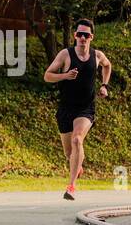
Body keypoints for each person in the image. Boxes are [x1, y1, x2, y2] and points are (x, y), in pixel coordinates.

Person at [43, 19, 111, 200]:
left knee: (77, 139)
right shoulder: (65, 55)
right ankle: (77, 165)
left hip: (86, 109)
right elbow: (47, 76)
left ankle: (71, 186)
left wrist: (104, 86)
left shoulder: (96, 56)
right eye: (79, 34)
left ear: (91, 37)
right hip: (66, 109)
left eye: (86, 35)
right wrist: (65, 75)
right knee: (69, 153)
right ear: (75, 36)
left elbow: (107, 65)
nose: (82, 38)